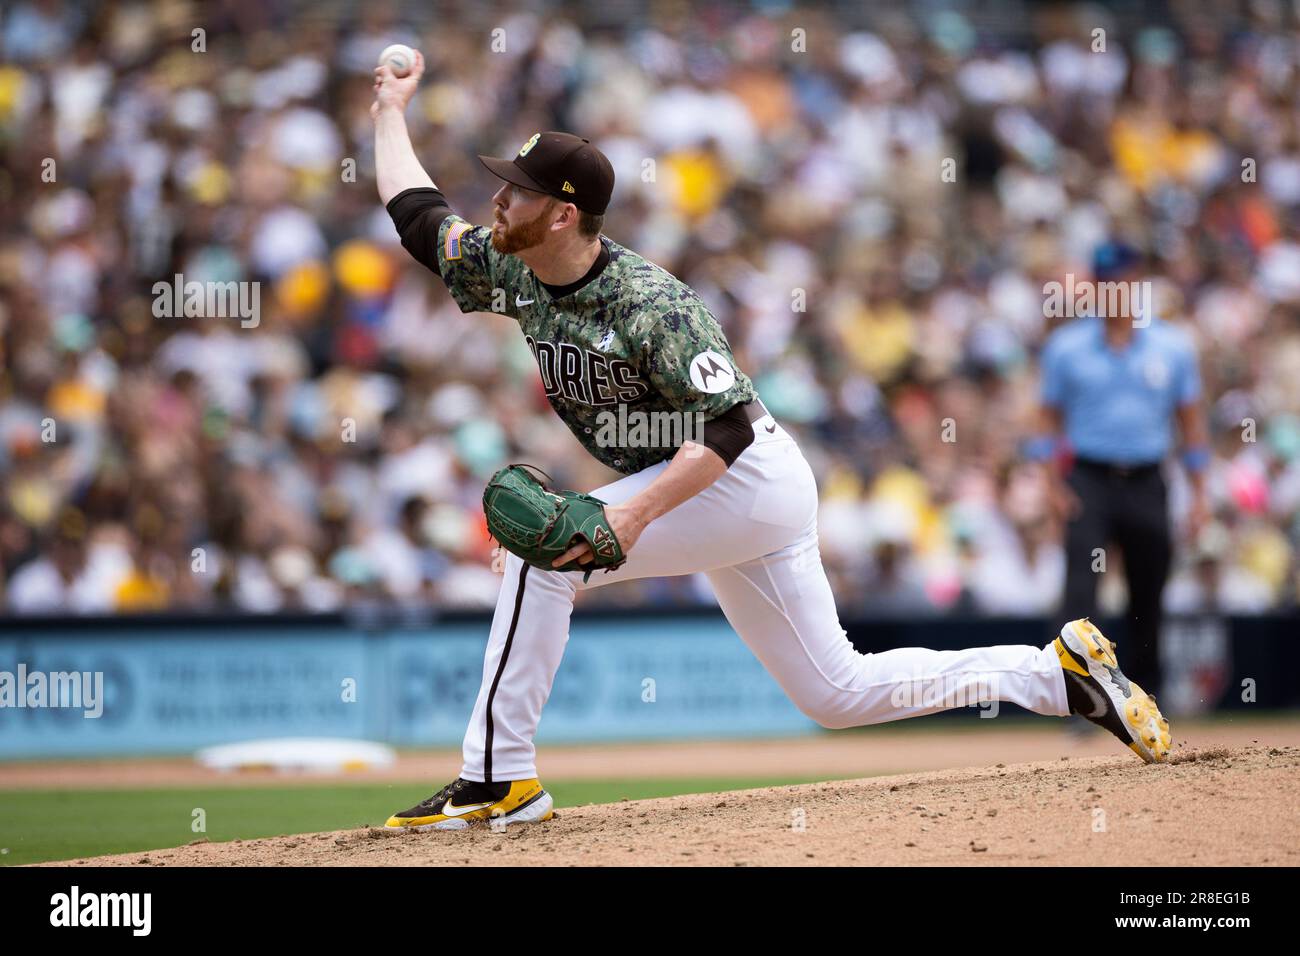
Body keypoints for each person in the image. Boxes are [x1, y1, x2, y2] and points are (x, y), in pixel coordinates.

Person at [371, 52, 1171, 831]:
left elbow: (727, 425)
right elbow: (419, 219)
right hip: (711, 486)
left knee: (542, 555)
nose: (497, 198)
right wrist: (388, 110)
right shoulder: (511, 266)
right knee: (836, 692)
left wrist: (634, 514)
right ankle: (1056, 676)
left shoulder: (650, 303)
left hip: (744, 475)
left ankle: (498, 776)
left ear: (562, 214)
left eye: (517, 189)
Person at [1038, 241, 1211, 699]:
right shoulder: (1067, 348)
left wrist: (1199, 495)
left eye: (1123, 281)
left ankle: (1147, 696)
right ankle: (1078, 698)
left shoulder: (1171, 347)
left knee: (1148, 589)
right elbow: (1047, 423)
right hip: (1088, 479)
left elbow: (1191, 425)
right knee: (1080, 592)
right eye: (1107, 283)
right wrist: (1051, 486)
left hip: (1147, 480)